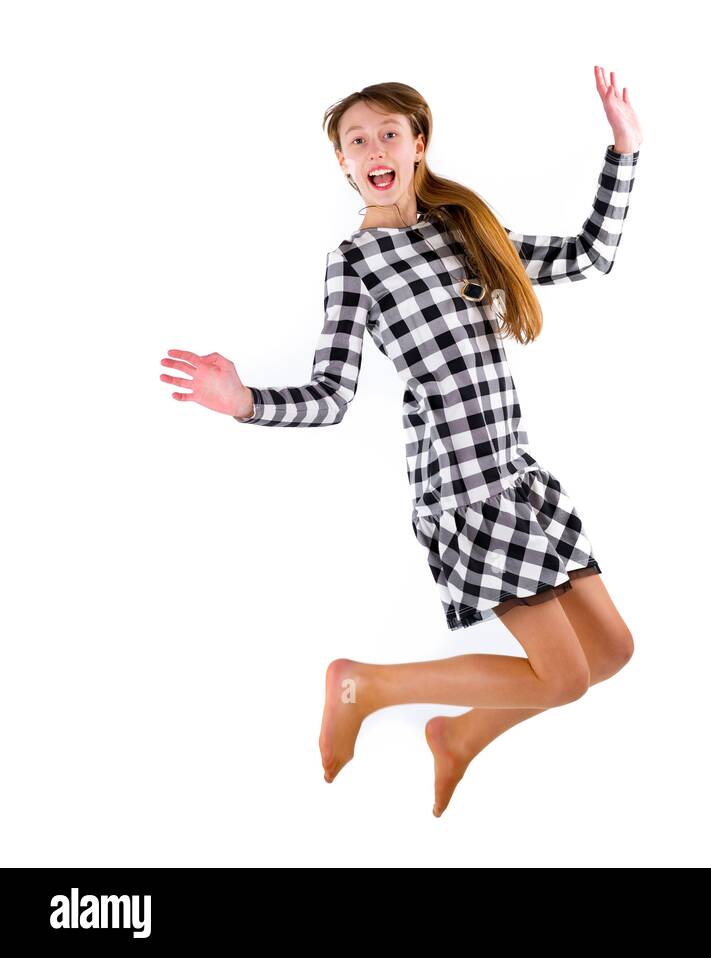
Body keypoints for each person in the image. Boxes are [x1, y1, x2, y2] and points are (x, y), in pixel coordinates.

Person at [158, 66, 643, 817]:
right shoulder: (355, 265)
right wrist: (245, 400)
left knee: (612, 653)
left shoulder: (466, 232)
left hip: (516, 476)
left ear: (419, 145)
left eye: (389, 132)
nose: (374, 147)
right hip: (466, 494)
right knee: (564, 677)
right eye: (357, 139)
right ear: (343, 164)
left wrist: (624, 150)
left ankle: (456, 737)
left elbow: (589, 255)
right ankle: (367, 685)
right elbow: (331, 396)